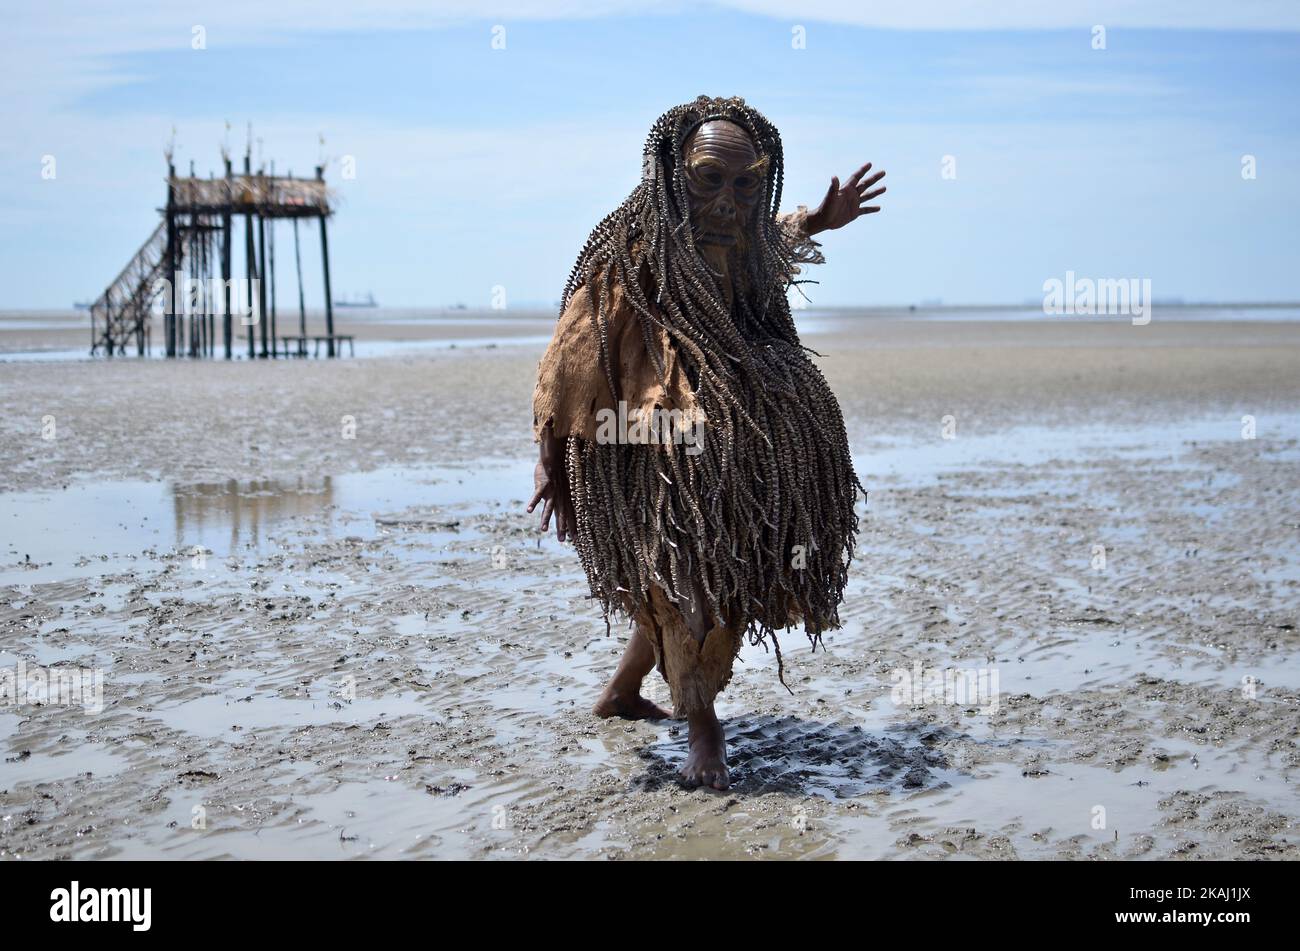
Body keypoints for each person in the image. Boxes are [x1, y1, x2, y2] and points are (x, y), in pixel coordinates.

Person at [529, 95, 885, 790]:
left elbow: (769, 242)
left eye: (746, 183)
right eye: (708, 178)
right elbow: (568, 362)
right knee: (693, 558)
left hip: (727, 420)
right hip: (646, 436)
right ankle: (703, 727)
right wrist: (553, 465)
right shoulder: (634, 251)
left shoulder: (743, 239)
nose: (727, 200)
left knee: (677, 570)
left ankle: (623, 692)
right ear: (672, 172)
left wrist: (818, 218)